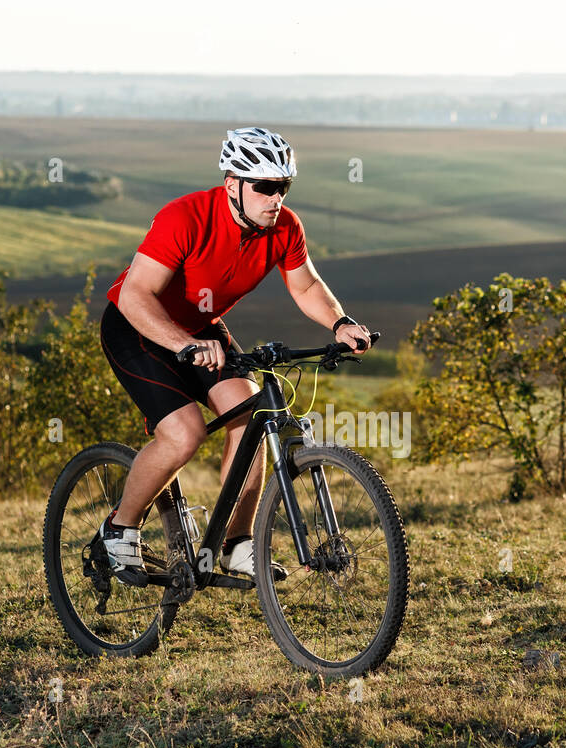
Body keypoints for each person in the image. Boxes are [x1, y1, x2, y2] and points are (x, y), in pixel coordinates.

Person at [97, 126, 372, 579]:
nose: (275, 198)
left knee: (250, 418)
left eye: (282, 187)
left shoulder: (284, 227)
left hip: (201, 329)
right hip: (137, 326)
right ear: (233, 185)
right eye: (264, 186)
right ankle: (119, 528)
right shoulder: (185, 217)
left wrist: (340, 323)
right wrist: (183, 344)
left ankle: (236, 544)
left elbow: (305, 287)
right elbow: (135, 294)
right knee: (184, 435)